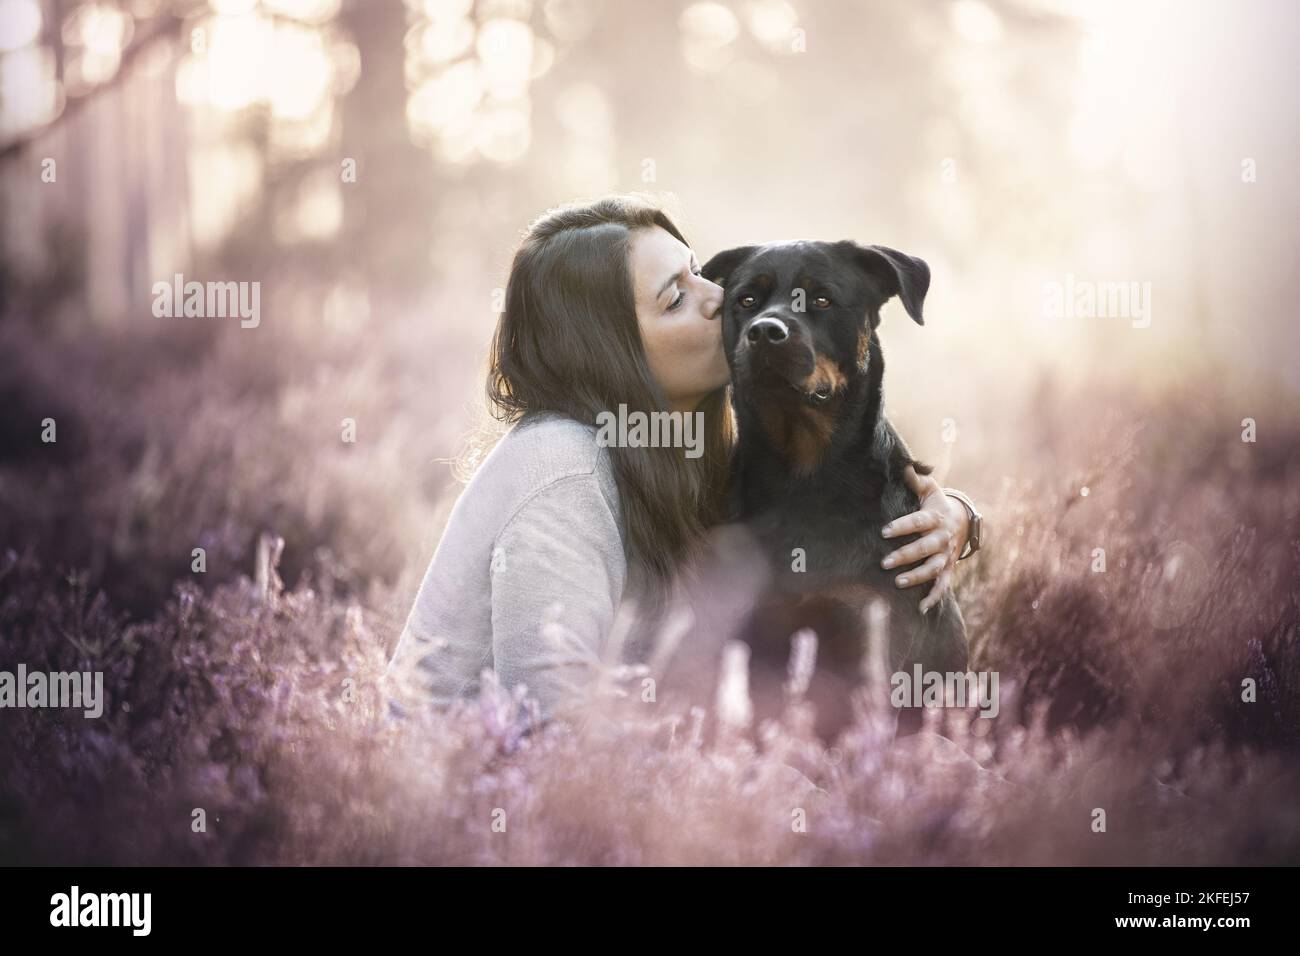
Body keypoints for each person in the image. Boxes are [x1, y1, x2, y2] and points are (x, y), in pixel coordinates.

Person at [384, 195, 980, 726]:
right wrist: (766, 788)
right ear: (611, 351)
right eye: (677, 297)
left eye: (697, 272)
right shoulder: (561, 470)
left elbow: (859, 463)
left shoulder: (681, 446)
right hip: (468, 804)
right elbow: (549, 728)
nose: (722, 301)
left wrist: (958, 517)